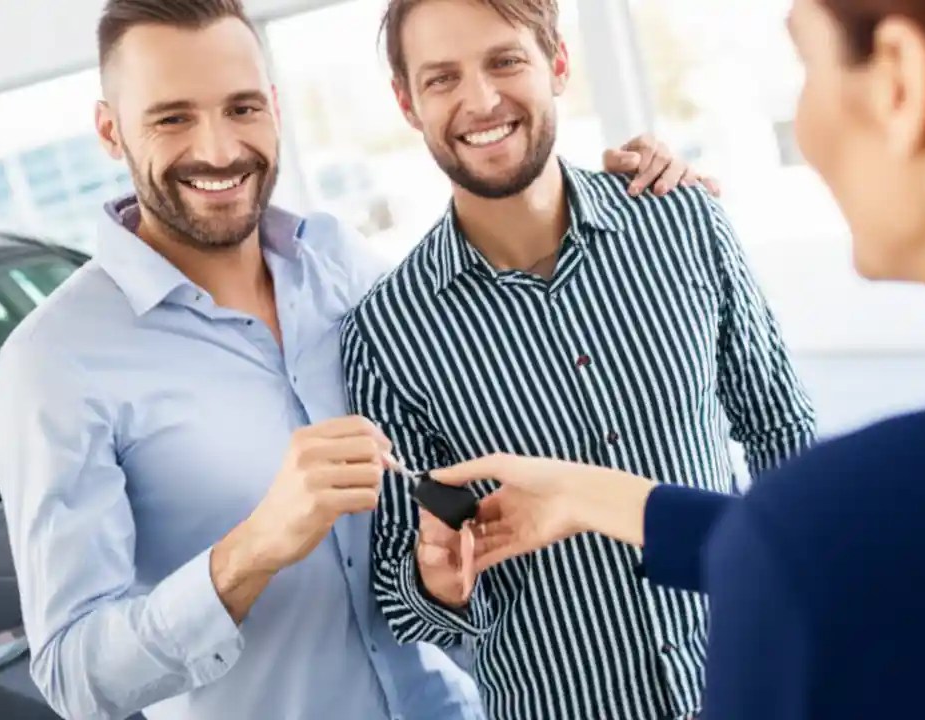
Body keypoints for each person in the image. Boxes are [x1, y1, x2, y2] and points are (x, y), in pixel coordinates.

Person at [431, 0, 925, 717]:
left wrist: (779, 538)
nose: (804, 126)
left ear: (902, 82)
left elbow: (848, 547)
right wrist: (600, 497)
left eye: (806, 64)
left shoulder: (836, 535)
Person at [0, 1, 708, 718]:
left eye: (241, 109)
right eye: (172, 117)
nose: (218, 148)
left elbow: (487, 315)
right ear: (110, 130)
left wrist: (623, 194)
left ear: (273, 107)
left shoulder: (338, 262)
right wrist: (254, 548)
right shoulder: (53, 365)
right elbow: (73, 678)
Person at [341, 1, 815, 718]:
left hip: (757, 683)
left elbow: (783, 431)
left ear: (557, 62)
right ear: (408, 104)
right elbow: (405, 600)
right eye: (442, 79)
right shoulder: (386, 332)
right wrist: (438, 584)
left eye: (505, 60)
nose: (481, 100)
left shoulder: (683, 222)